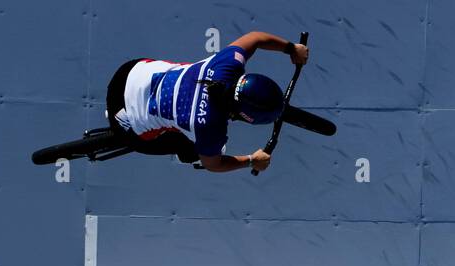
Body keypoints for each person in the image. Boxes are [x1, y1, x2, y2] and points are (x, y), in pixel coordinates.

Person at [104, 31, 309, 172]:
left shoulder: (227, 64)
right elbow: (214, 165)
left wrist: (292, 48)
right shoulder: (211, 129)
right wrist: (251, 161)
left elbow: (255, 38)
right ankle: (188, 153)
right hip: (123, 119)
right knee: (197, 150)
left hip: (128, 71)